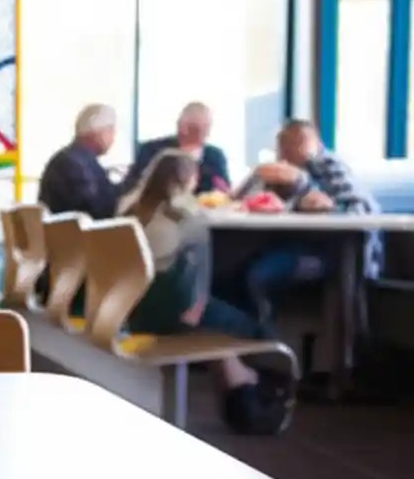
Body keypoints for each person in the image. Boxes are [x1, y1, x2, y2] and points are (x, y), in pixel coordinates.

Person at [120, 151, 292, 435]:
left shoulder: (129, 212)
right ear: (189, 180)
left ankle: (242, 393)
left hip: (132, 312)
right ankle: (252, 392)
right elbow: (195, 287)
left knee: (213, 334)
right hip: (169, 314)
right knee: (250, 329)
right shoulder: (186, 218)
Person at [233, 119, 381, 323]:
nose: (283, 155)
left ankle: (264, 340)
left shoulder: (328, 166)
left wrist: (309, 191)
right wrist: (254, 178)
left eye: (290, 146)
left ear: (308, 143)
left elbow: (361, 210)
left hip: (328, 255)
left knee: (260, 274)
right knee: (232, 270)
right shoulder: (281, 171)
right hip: (288, 244)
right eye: (281, 147)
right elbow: (239, 200)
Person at [124, 102, 230, 195]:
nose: (202, 134)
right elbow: (133, 187)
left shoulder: (215, 156)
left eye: (205, 128)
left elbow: (224, 190)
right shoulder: (153, 151)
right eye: (193, 128)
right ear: (180, 125)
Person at [38, 104, 122, 219]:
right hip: (79, 236)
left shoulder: (66, 159)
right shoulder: (79, 166)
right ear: (97, 131)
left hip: (60, 235)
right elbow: (98, 211)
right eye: (110, 130)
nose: (113, 137)